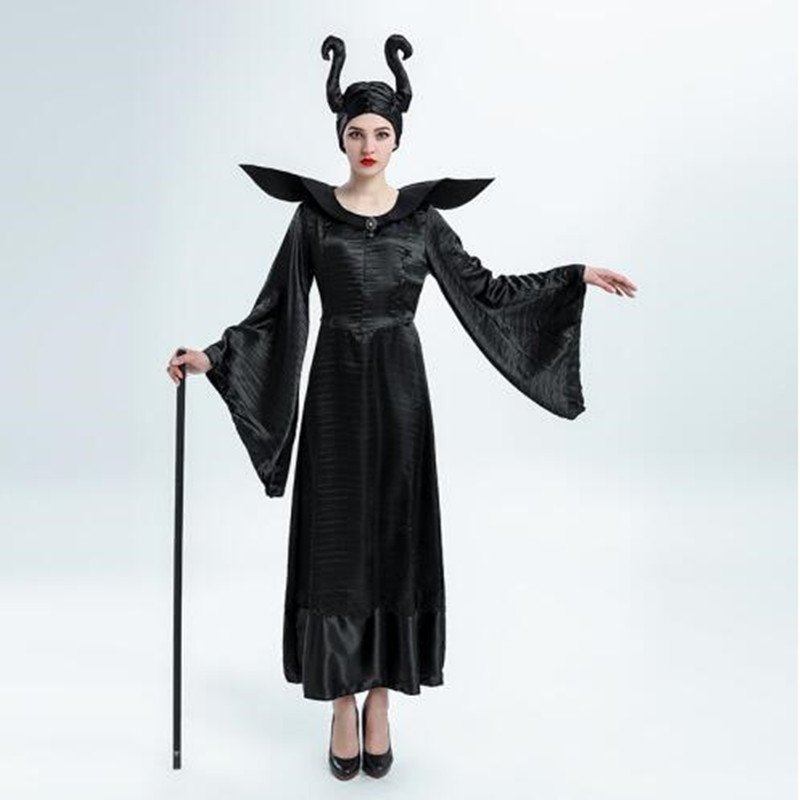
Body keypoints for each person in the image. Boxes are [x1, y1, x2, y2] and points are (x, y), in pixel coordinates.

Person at [166, 33, 636, 781]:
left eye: (381, 134)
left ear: (397, 140)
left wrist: (572, 275)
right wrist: (214, 357)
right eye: (356, 133)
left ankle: (381, 698)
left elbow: (485, 290)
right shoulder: (312, 219)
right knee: (336, 538)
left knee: (394, 532)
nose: (368, 146)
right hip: (334, 390)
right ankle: (340, 701)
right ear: (340, 138)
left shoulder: (422, 221)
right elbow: (275, 308)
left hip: (400, 391)